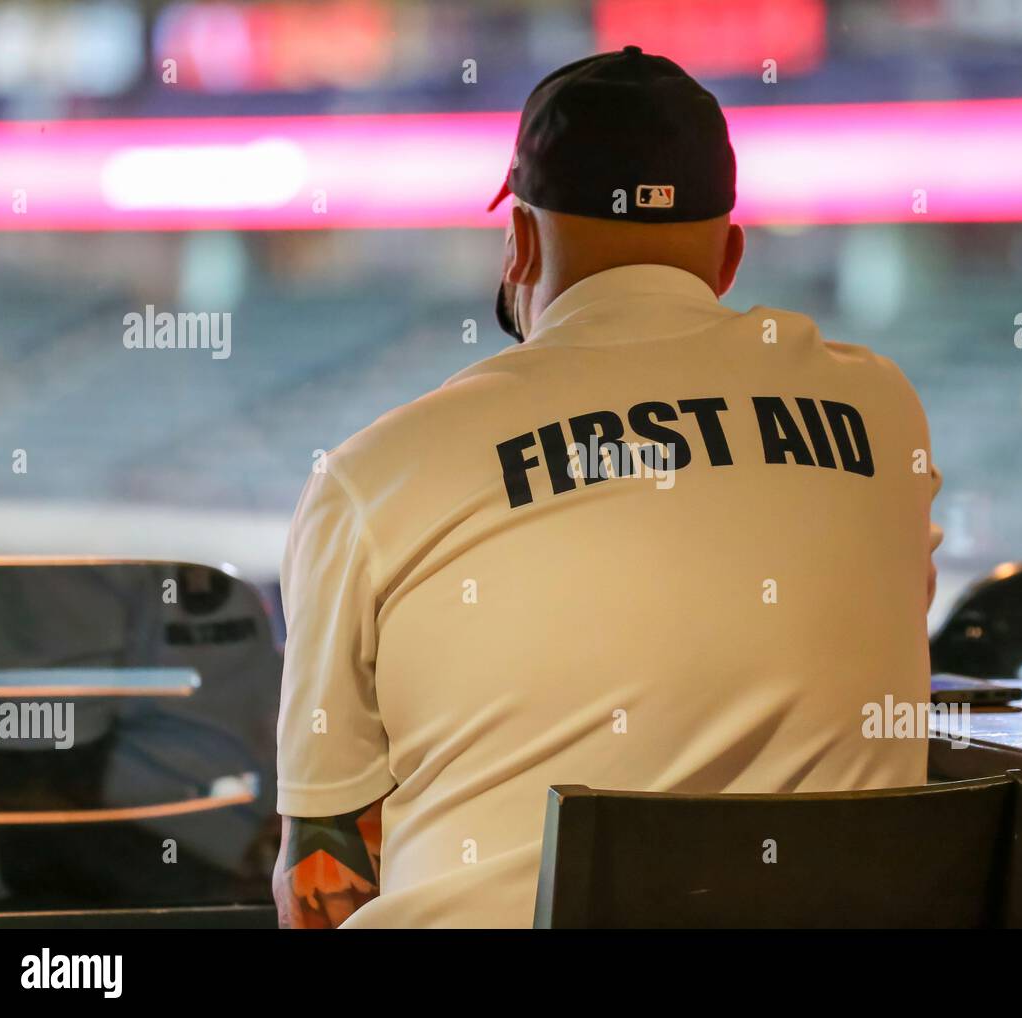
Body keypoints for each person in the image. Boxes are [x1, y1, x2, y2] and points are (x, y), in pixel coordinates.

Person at [273, 47, 942, 928]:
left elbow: (323, 871)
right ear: (731, 254)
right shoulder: (883, 411)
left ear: (519, 242)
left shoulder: (368, 478)